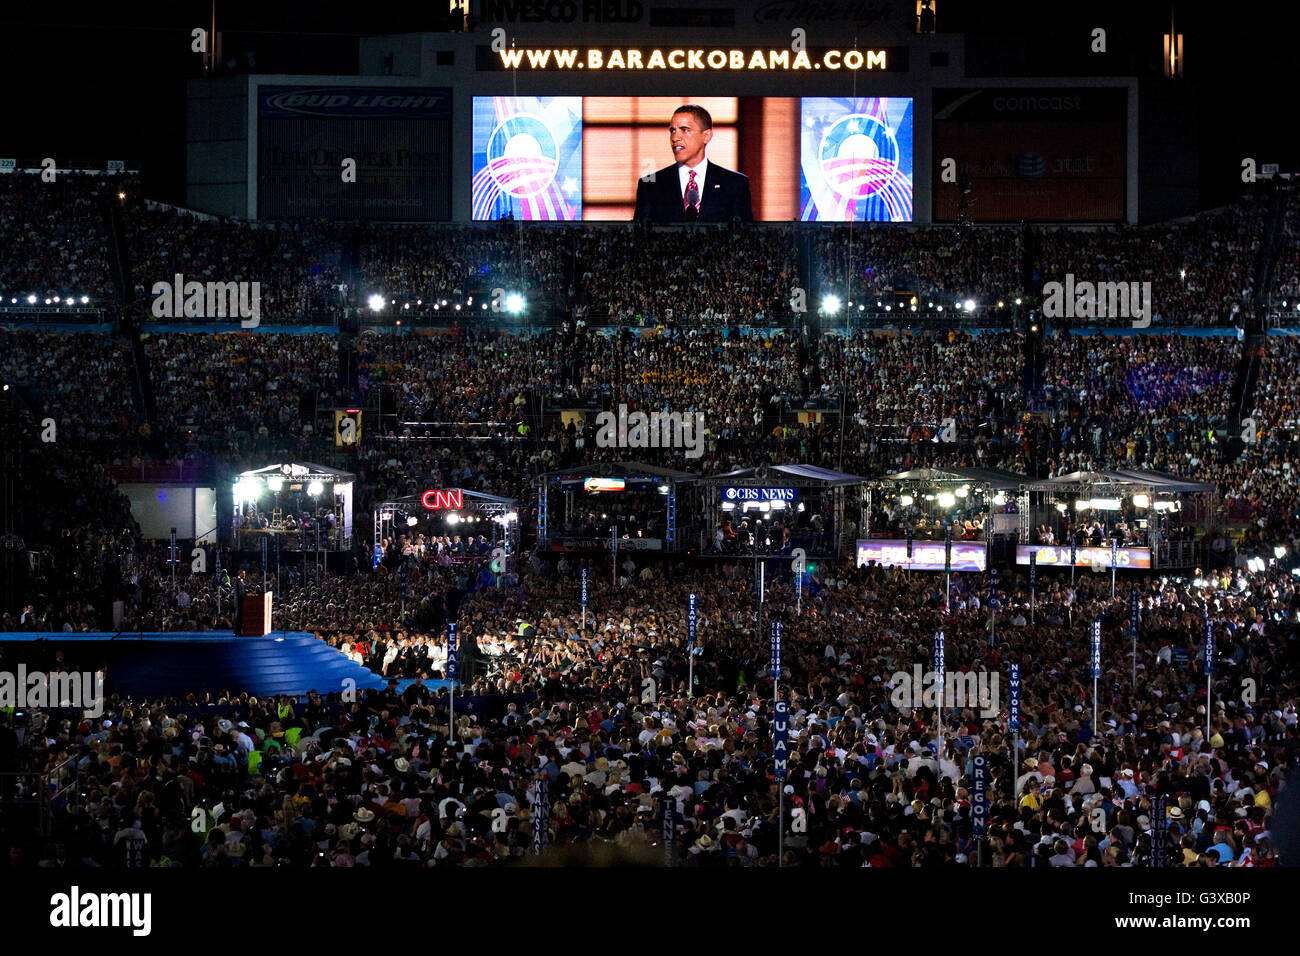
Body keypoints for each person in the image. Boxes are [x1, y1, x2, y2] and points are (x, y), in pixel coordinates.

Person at [634, 105, 754, 223]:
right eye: (672, 130)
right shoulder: (650, 184)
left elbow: (745, 236)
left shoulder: (735, 184)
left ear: (706, 136)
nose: (675, 137)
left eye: (684, 130)